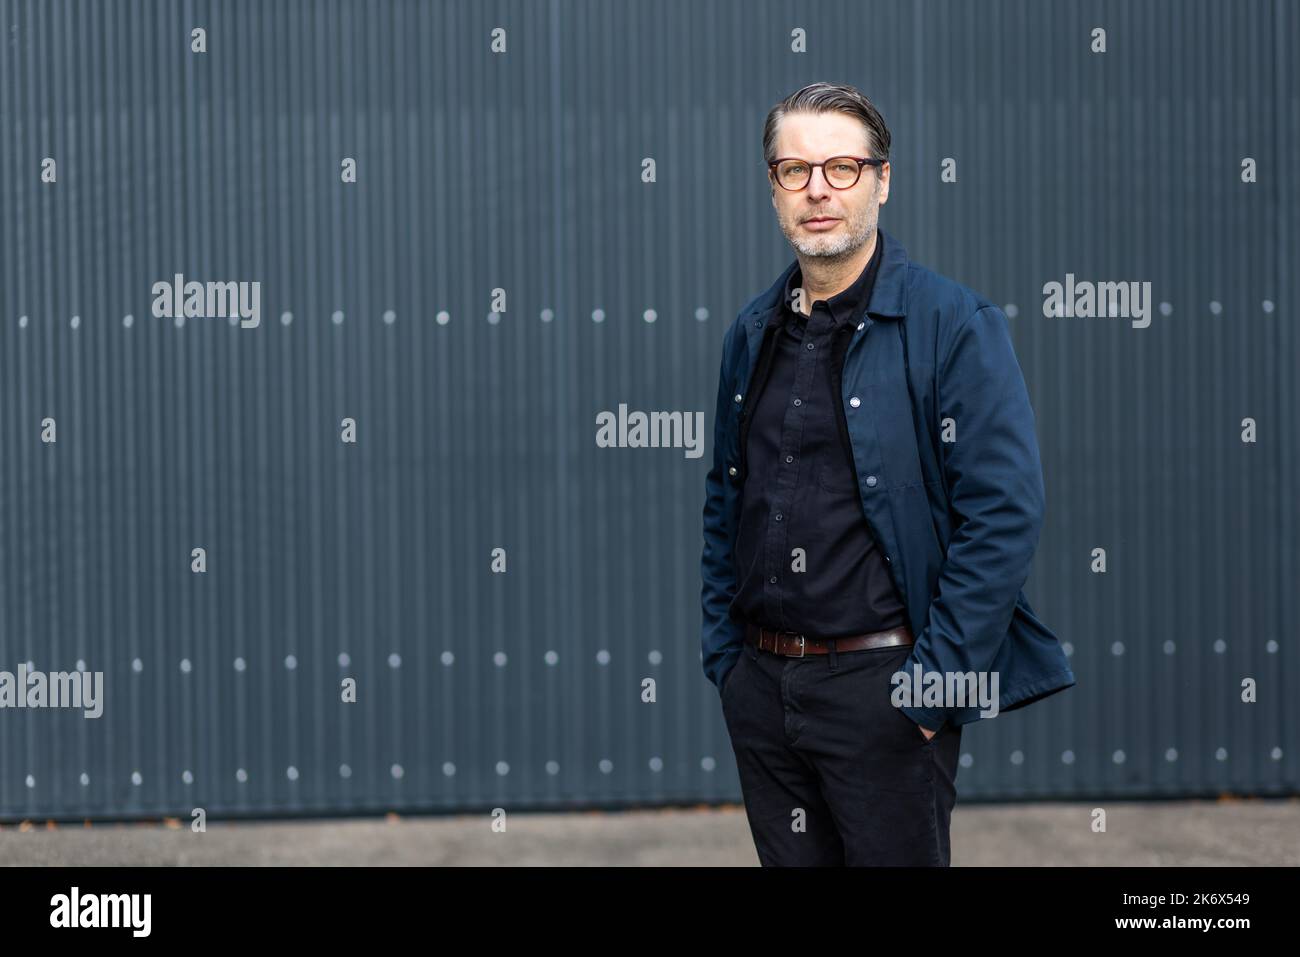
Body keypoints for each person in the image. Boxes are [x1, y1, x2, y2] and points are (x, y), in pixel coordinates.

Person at [700, 82, 1075, 866]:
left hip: (887, 690)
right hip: (765, 693)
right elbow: (725, 498)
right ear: (773, 187)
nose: (818, 191)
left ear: (883, 179)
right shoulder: (752, 332)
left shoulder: (951, 325)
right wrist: (727, 662)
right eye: (794, 170)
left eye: (841, 167)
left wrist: (933, 688)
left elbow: (1004, 513)